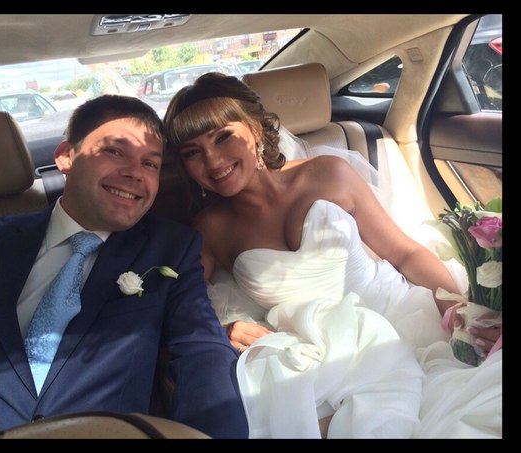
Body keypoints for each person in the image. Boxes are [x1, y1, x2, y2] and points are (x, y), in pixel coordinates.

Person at [163, 73, 502, 438]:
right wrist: (223, 331)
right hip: (322, 358)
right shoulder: (210, 229)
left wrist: (459, 307)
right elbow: (179, 315)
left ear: (255, 128)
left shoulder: (329, 173)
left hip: (402, 322)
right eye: (192, 152)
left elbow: (404, 253)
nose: (212, 160)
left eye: (222, 136)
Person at [0, 95, 248, 439]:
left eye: (150, 163)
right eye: (114, 151)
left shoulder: (170, 248)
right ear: (66, 157)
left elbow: (201, 349)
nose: (134, 173)